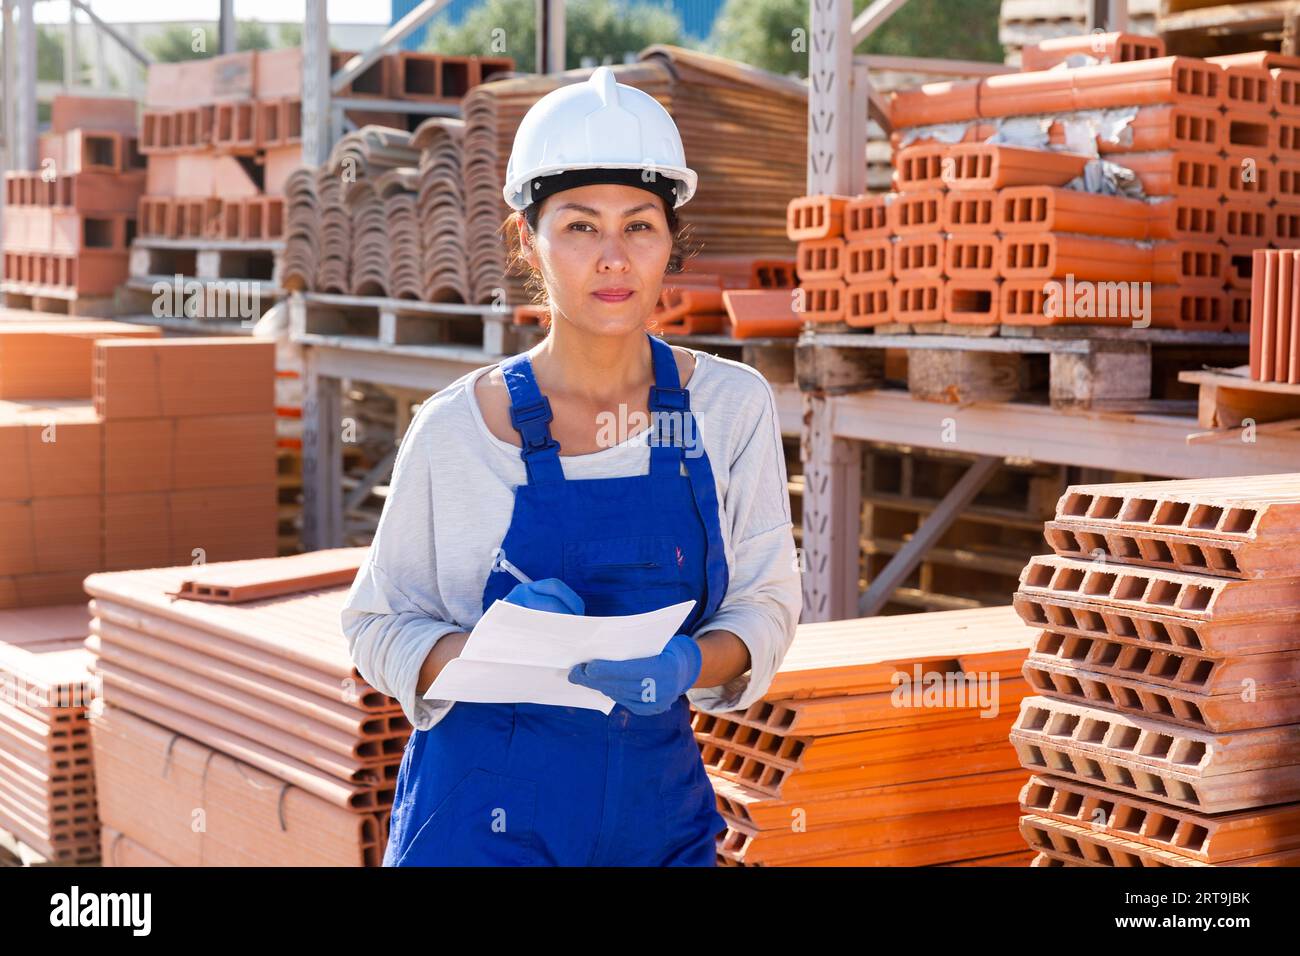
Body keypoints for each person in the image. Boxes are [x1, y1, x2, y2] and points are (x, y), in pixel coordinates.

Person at [341, 66, 801, 866]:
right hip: (482, 819)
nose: (613, 258)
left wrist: (690, 661)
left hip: (657, 816)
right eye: (581, 227)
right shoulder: (458, 428)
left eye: (640, 226)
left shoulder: (730, 408)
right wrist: (486, 654)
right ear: (530, 240)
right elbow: (376, 626)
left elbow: (766, 604)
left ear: (671, 242)